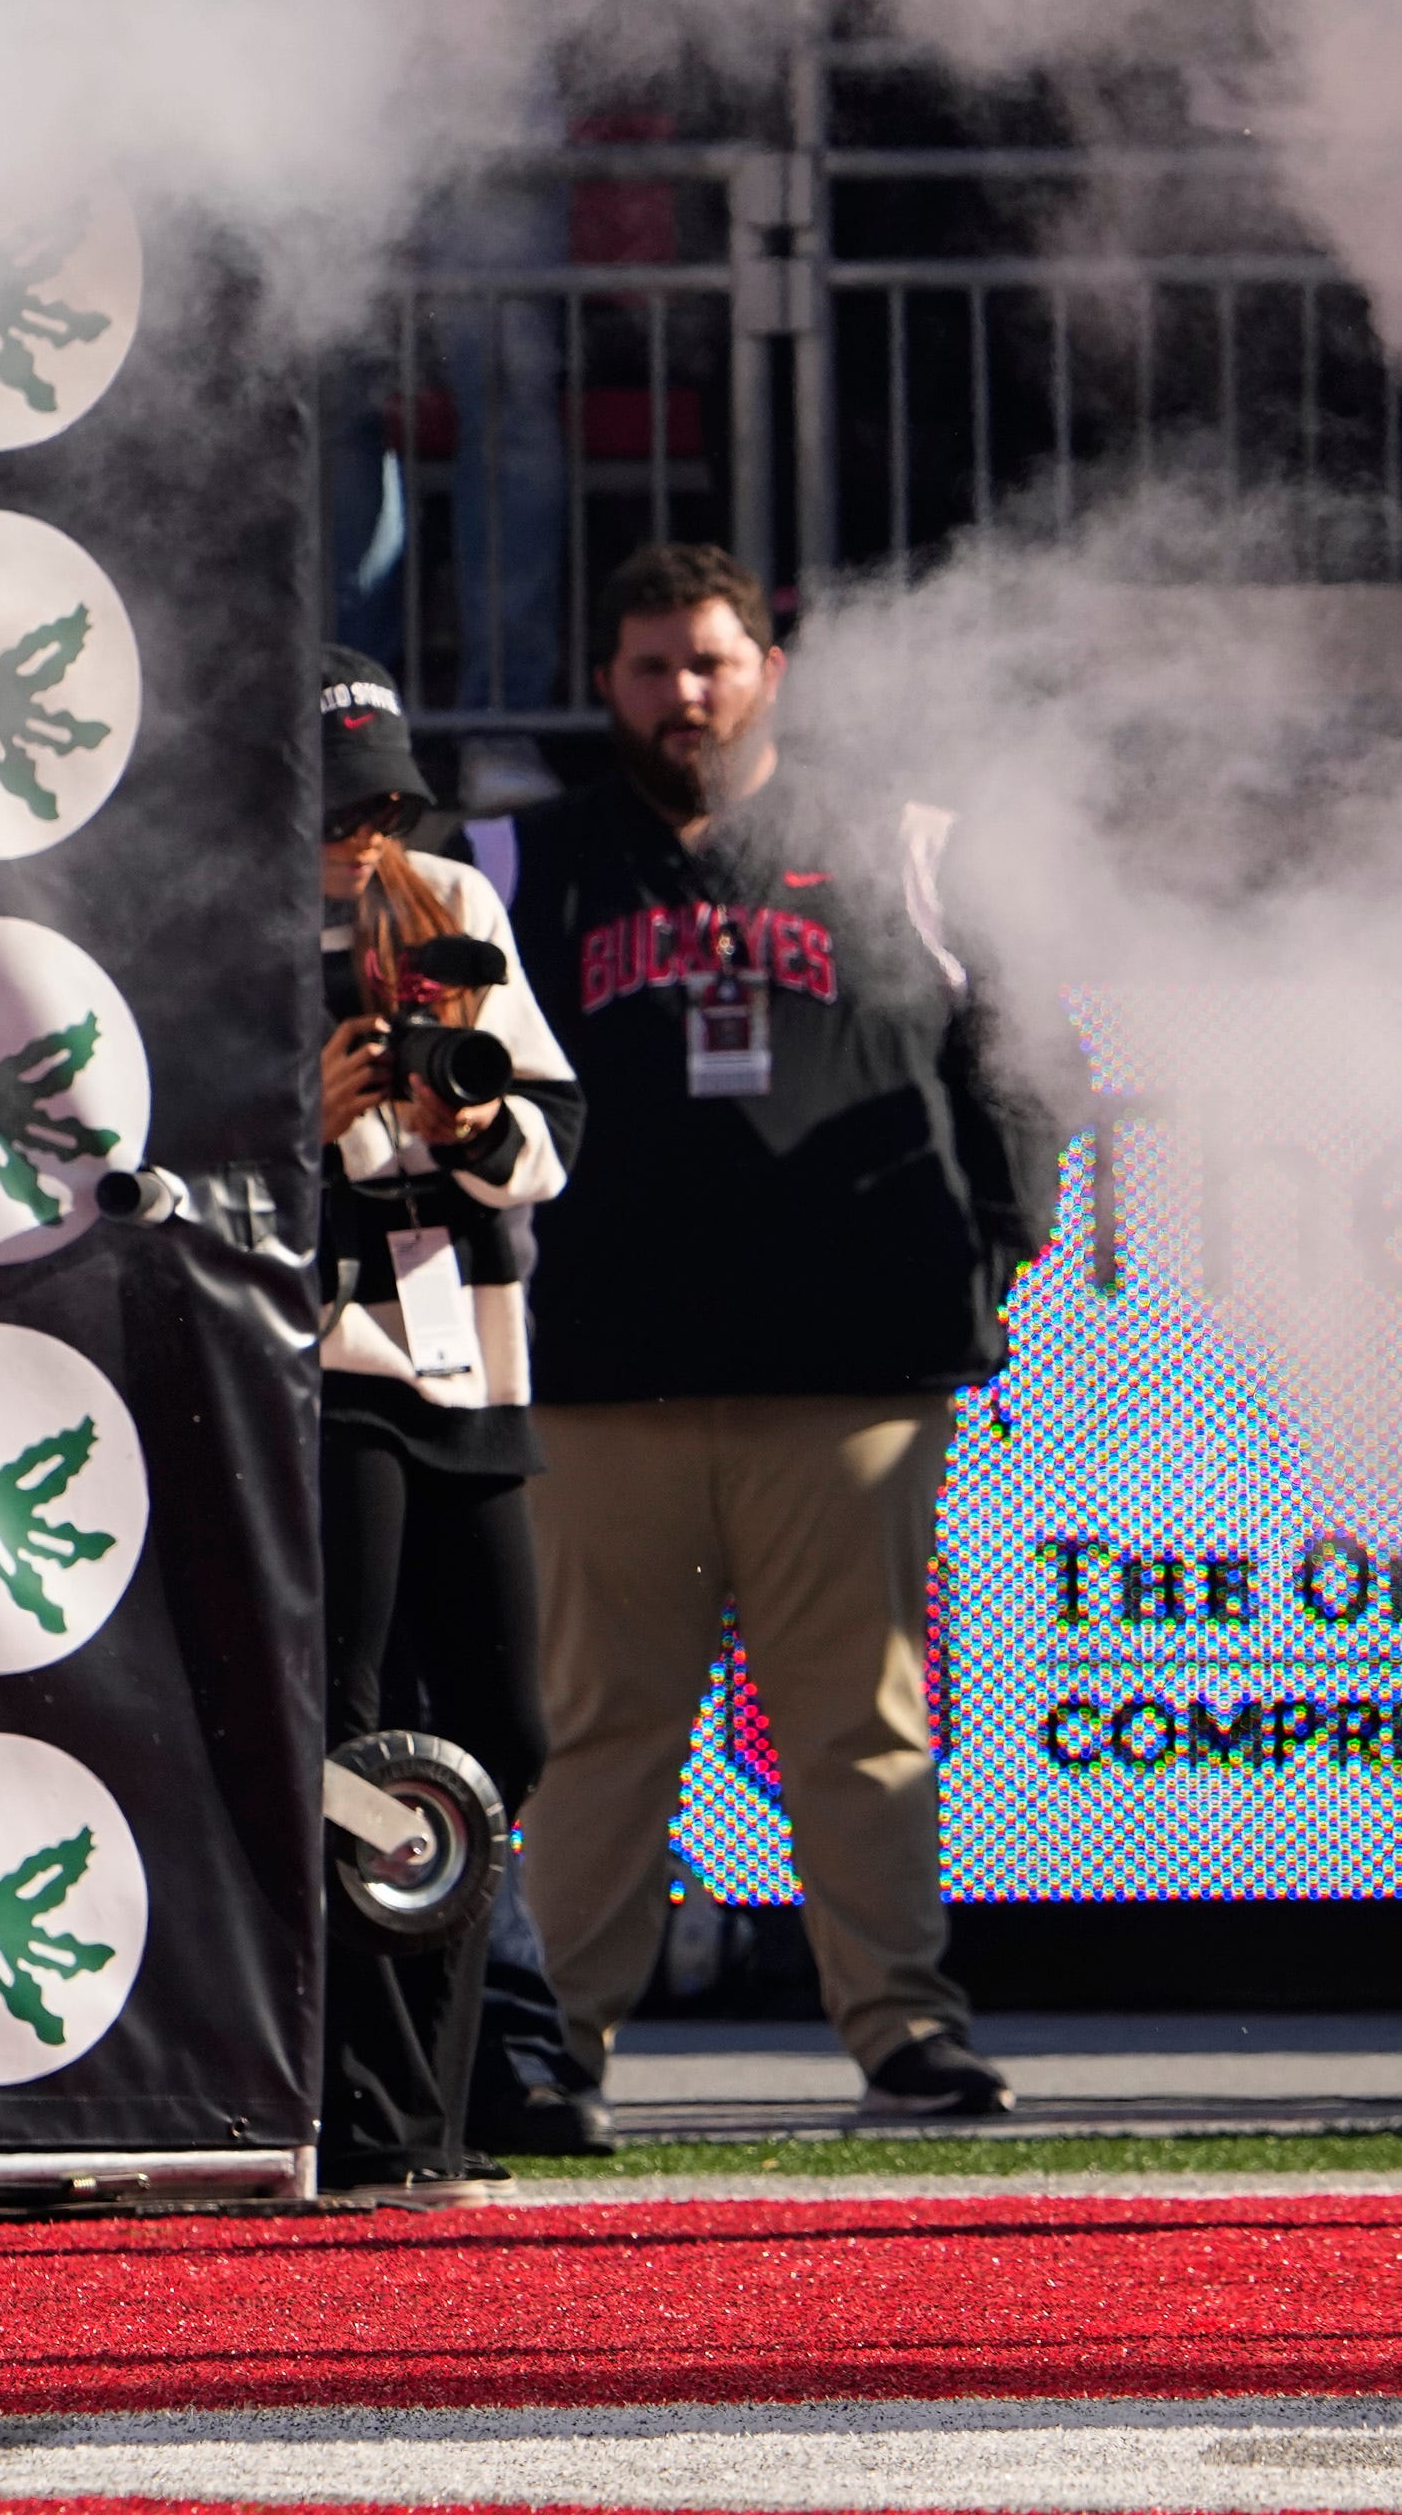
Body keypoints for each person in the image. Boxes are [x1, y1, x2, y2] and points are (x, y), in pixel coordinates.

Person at [513, 542, 1058, 2127]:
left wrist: (1004, 1245)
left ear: (772, 671)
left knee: (861, 1722)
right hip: (609, 1370)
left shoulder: (903, 851)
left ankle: (902, 2022)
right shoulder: (522, 863)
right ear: (602, 683)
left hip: (848, 1365)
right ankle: (559, 2042)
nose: (681, 694)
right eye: (648, 666)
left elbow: (1021, 1060)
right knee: (608, 1732)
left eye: (710, 661)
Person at [311, 650, 579, 2190]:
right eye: (347, 805)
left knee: (503, 1740)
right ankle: (371, 2114)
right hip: (327, 1350)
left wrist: (475, 1123)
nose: (371, 833)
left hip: (469, 1342)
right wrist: (316, 1107)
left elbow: (555, 1113)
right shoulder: (218, 917)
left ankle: (444, 2094)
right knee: (352, 1740)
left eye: (393, 800)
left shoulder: (447, 896)